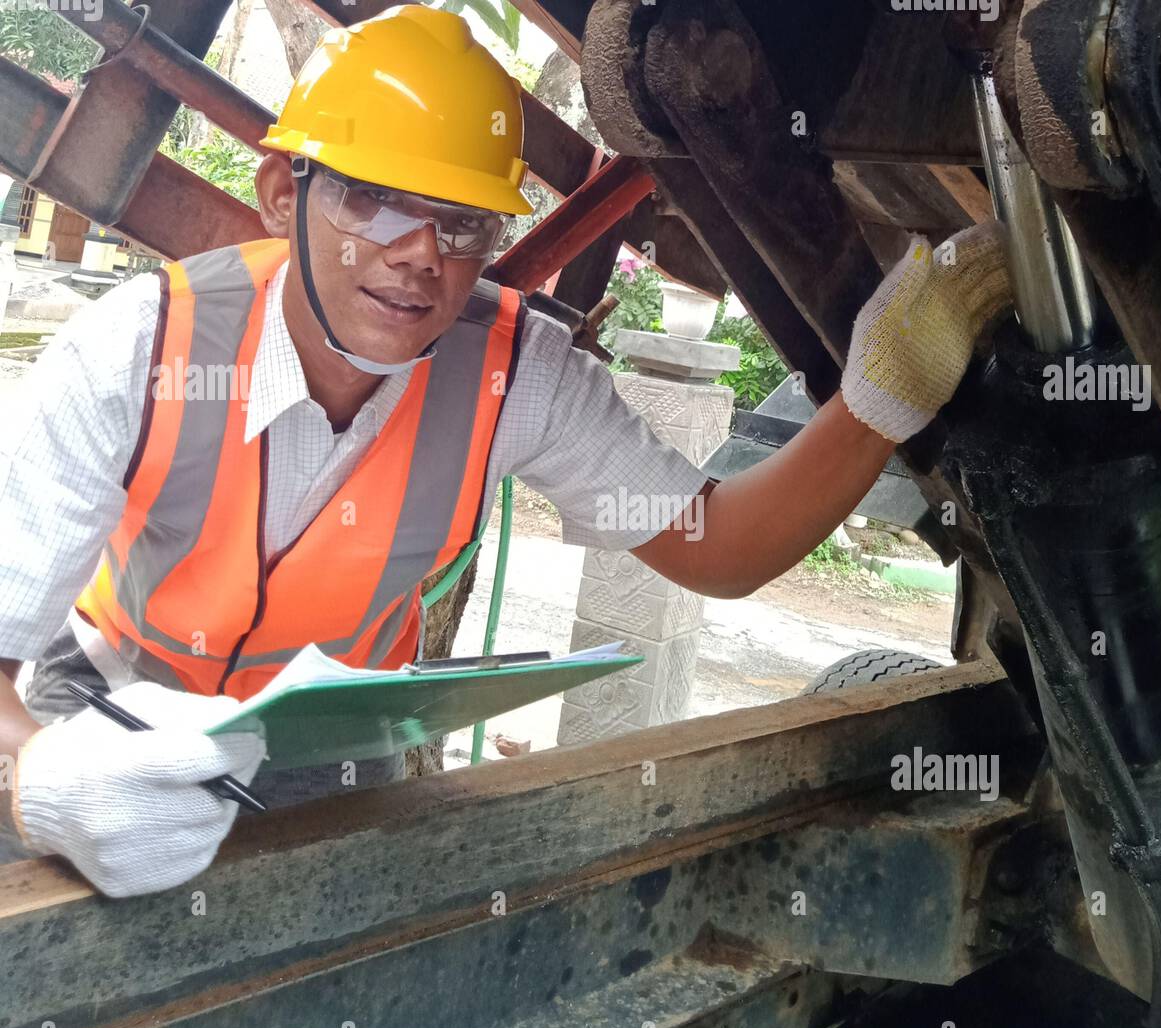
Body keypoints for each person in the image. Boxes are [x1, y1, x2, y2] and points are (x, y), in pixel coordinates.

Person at [0, 5, 1011, 896]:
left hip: (328, 767)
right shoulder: (141, 349)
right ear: (279, 191)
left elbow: (716, 544)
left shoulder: (508, 370)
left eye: (460, 222)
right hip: (102, 720)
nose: (418, 254)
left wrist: (879, 397)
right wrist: (40, 777)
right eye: (373, 199)